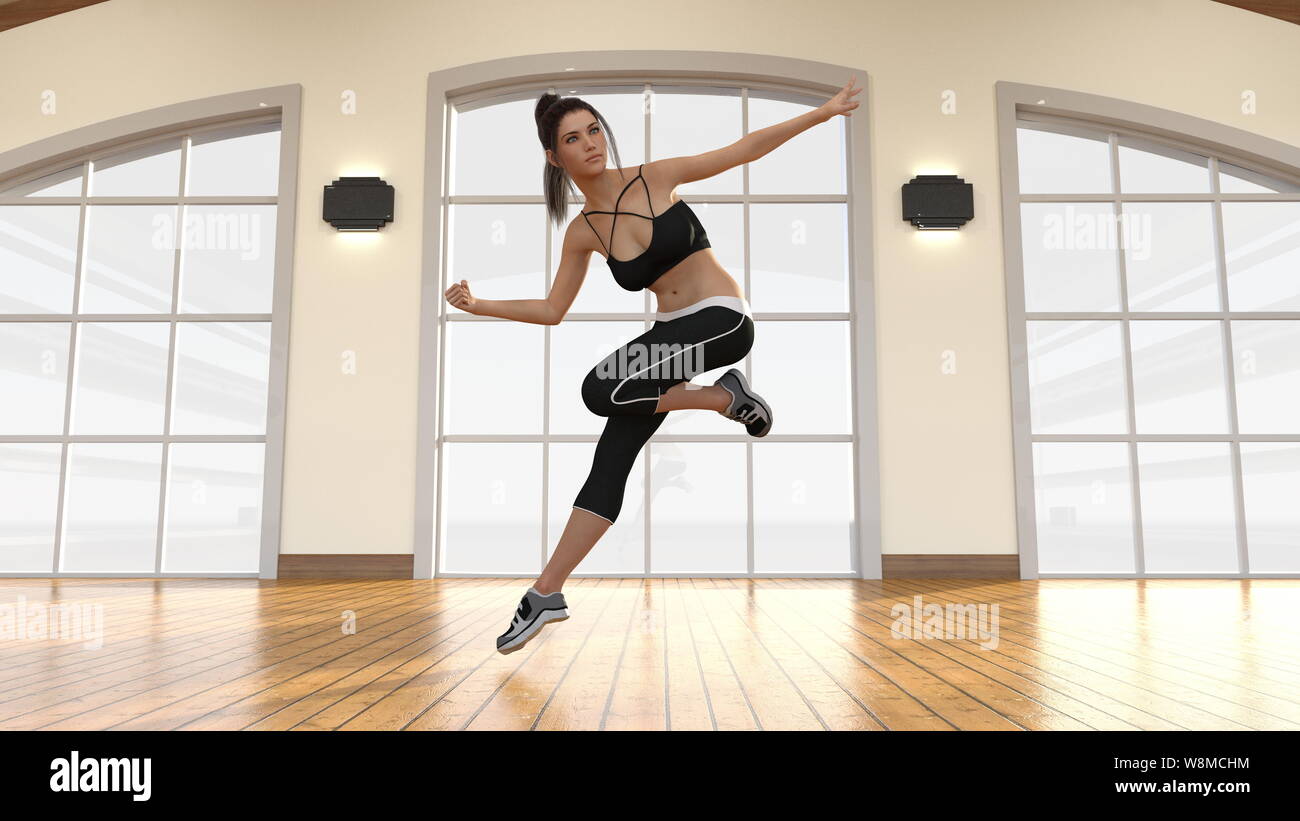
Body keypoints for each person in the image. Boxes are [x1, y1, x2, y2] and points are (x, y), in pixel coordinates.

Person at [443, 78, 862, 654]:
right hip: (669, 340)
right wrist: (479, 303)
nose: (591, 143)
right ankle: (546, 593)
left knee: (598, 389)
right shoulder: (583, 232)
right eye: (573, 137)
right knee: (611, 456)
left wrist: (823, 114)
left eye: (594, 130)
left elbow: (742, 149)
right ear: (553, 155)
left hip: (720, 321)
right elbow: (551, 309)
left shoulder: (654, 177)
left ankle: (724, 397)